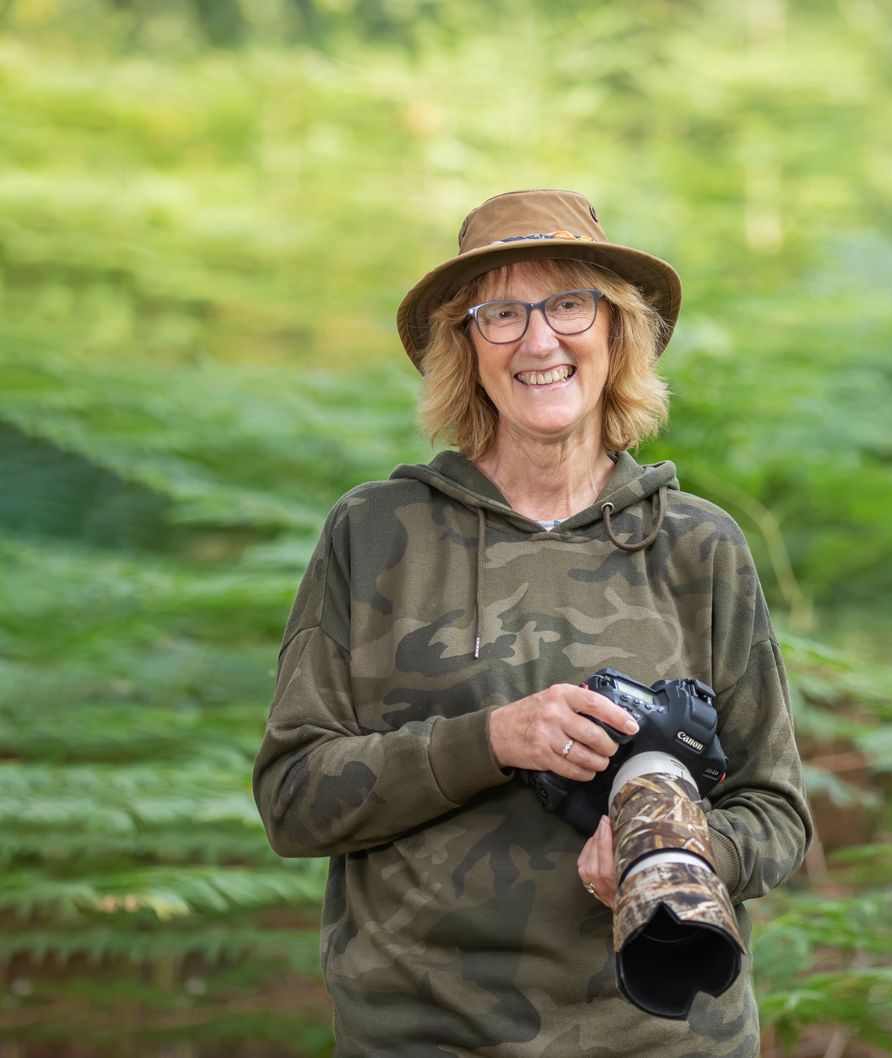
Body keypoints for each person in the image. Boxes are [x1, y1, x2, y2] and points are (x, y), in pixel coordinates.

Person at [253, 189, 812, 1057]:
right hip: (424, 1033)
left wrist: (674, 842)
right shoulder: (376, 533)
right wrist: (495, 739)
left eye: (568, 304)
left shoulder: (699, 544)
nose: (539, 339)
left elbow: (775, 810)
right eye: (500, 313)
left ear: (617, 331)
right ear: (464, 347)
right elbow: (294, 801)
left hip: (666, 1037)